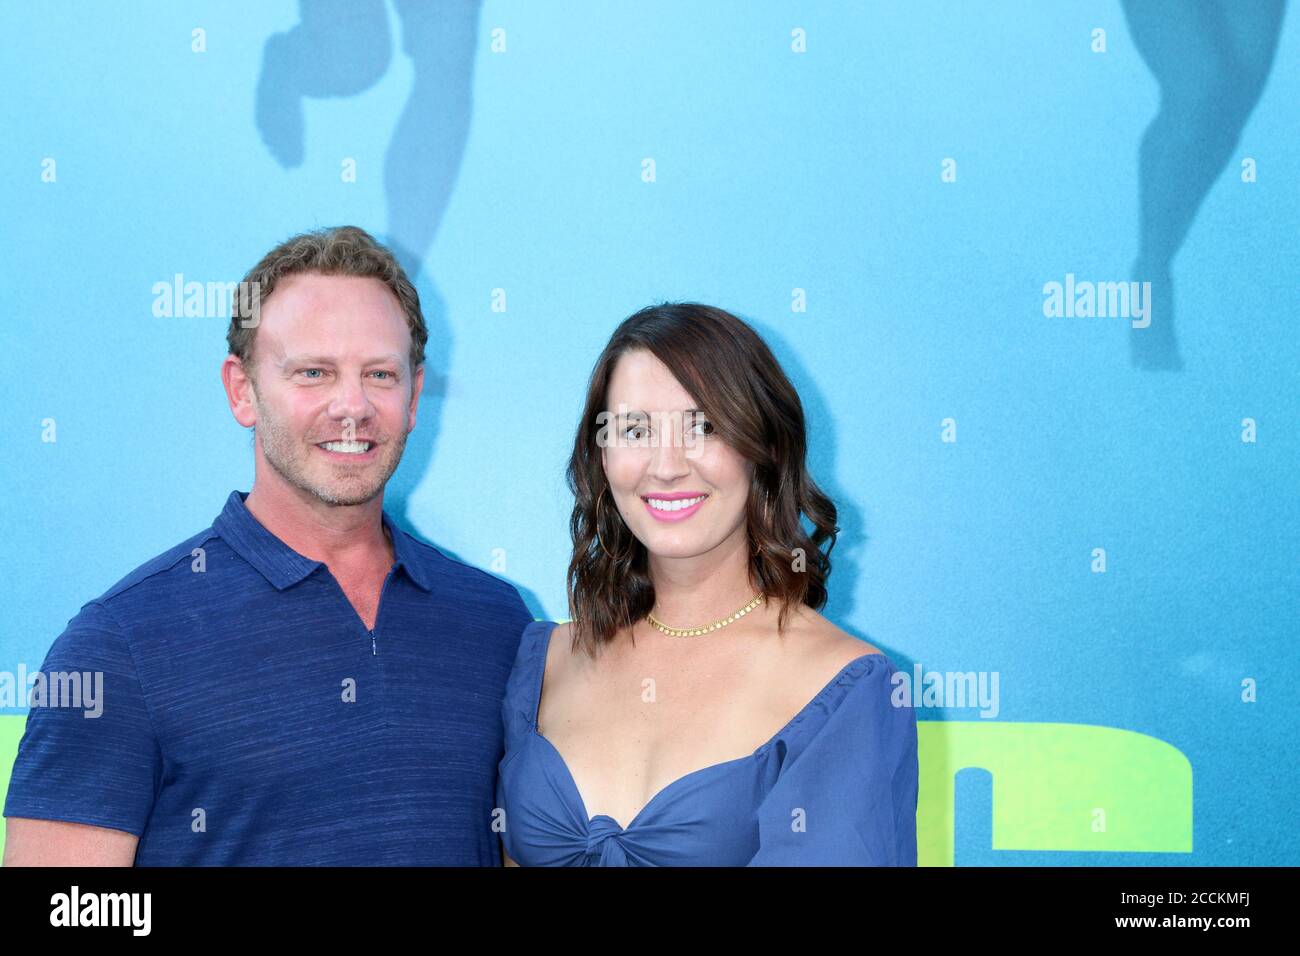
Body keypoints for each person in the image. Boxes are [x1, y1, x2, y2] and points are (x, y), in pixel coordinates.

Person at [2, 225, 531, 865]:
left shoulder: (497, 622)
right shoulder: (121, 643)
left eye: (380, 374)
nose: (352, 406)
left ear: (415, 396)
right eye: (314, 372)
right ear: (242, 390)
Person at [495, 303, 918, 865]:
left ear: (761, 447)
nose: (666, 465)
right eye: (635, 429)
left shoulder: (845, 689)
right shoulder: (543, 659)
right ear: (602, 455)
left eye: (704, 426)